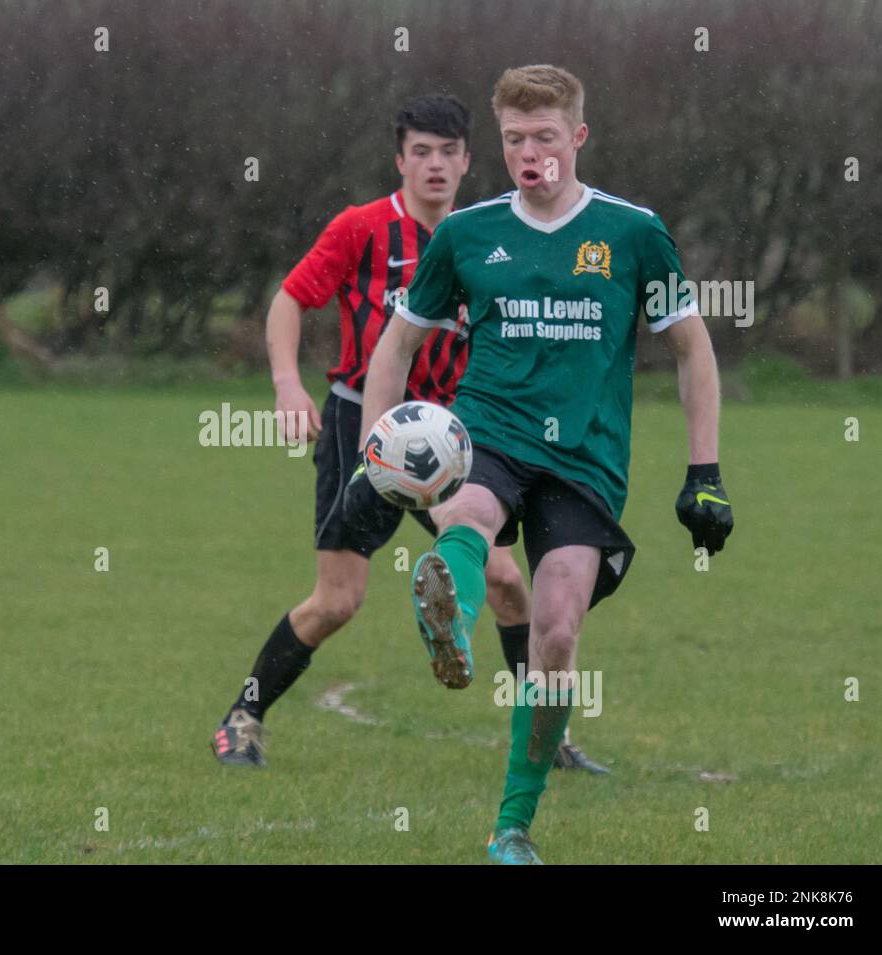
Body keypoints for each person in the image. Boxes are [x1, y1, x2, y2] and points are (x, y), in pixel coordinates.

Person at [353, 65, 733, 863]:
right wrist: (371, 453)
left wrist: (705, 471)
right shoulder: (466, 234)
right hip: (488, 431)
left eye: (546, 138)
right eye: (516, 139)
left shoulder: (633, 233)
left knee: (557, 631)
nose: (531, 153)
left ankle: (512, 827)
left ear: (578, 137)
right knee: (466, 514)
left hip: (586, 459)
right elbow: (397, 344)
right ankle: (450, 616)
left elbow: (693, 350)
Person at [212, 93, 607, 774]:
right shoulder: (361, 229)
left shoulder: (487, 237)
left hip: (453, 434)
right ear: (400, 160)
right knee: (339, 600)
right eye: (420, 151)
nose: (435, 164)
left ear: (467, 161)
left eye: (449, 152)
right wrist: (285, 382)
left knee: (507, 578)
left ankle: (545, 736)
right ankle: (242, 716)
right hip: (358, 423)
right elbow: (290, 299)